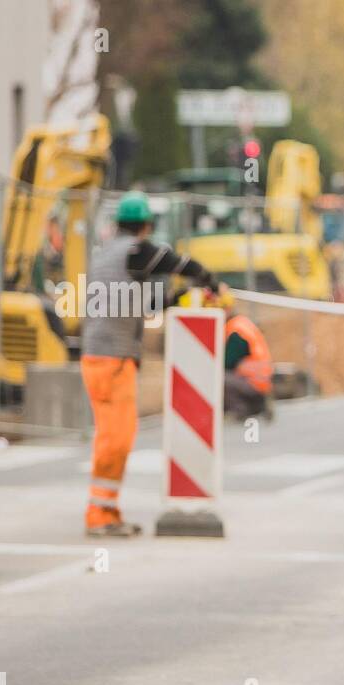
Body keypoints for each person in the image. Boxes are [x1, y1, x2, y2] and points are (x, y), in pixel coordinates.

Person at [81, 191, 216, 537]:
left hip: (99, 357)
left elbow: (146, 299)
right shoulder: (134, 251)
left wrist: (176, 299)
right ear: (145, 225)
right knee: (117, 438)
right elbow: (171, 261)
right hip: (112, 360)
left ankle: (107, 509)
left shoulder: (107, 255)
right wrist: (205, 277)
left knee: (114, 436)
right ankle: (99, 513)